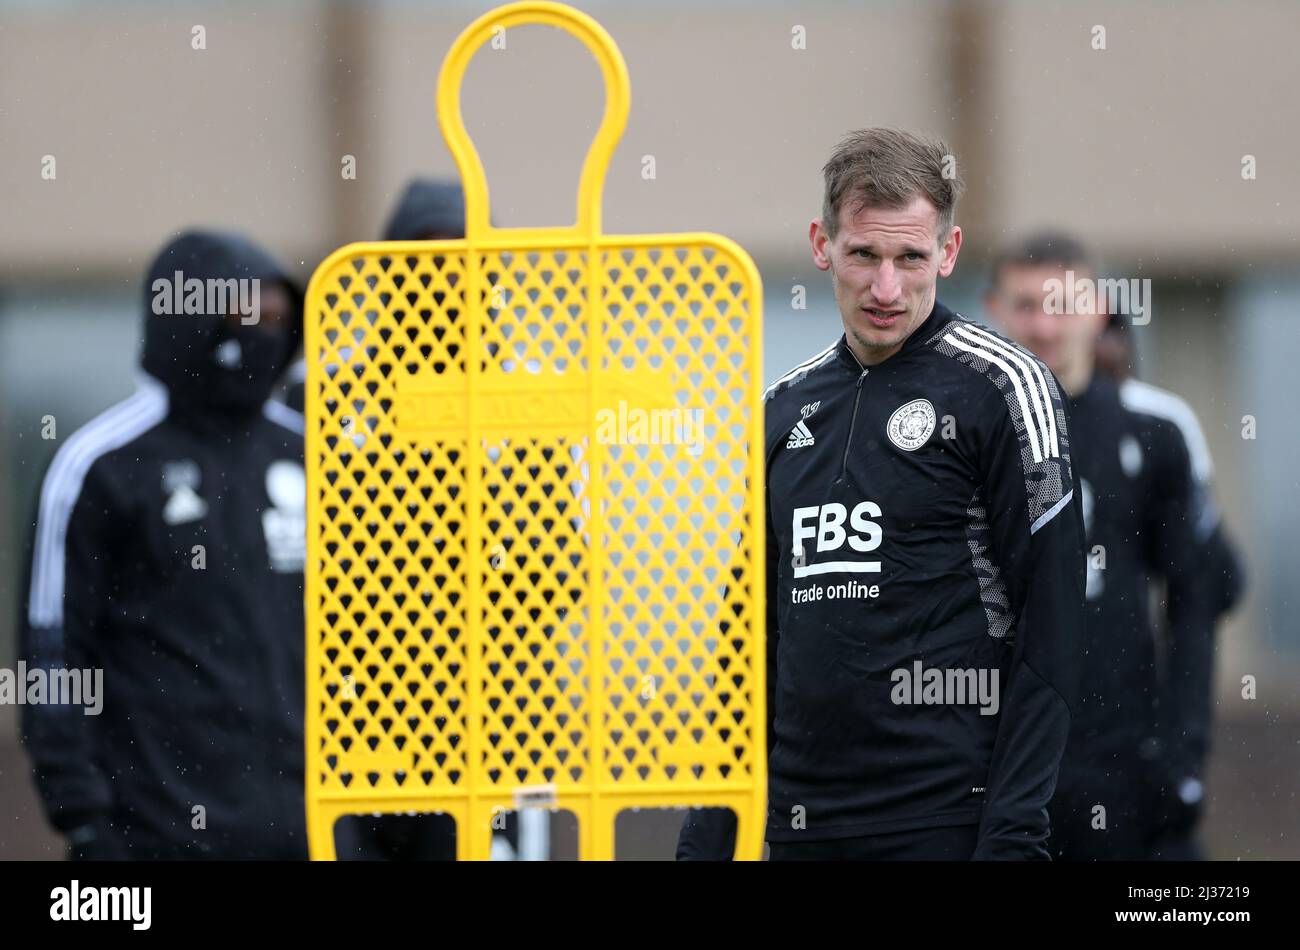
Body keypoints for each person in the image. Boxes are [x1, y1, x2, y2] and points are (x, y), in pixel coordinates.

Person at [677, 128, 1086, 860]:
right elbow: (750, 647)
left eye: (911, 258)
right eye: (864, 254)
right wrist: (707, 837)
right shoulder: (782, 408)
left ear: (949, 253)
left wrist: (1014, 835)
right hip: (802, 828)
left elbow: (1051, 631)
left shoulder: (1005, 387)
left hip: (946, 826)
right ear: (821, 244)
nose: (887, 289)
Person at [19, 230, 309, 859]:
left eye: (278, 317)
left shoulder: (311, 455)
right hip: (156, 841)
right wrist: (85, 823)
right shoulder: (101, 466)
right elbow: (51, 656)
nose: (262, 332)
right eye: (243, 314)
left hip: (316, 837)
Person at [984, 232, 1232, 860]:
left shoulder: (1156, 427)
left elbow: (1203, 595)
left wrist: (1183, 756)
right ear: (993, 311)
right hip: (994, 769)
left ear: (1098, 308)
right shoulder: (964, 430)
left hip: (1127, 767)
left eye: (1061, 304)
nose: (1043, 325)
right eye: (1025, 305)